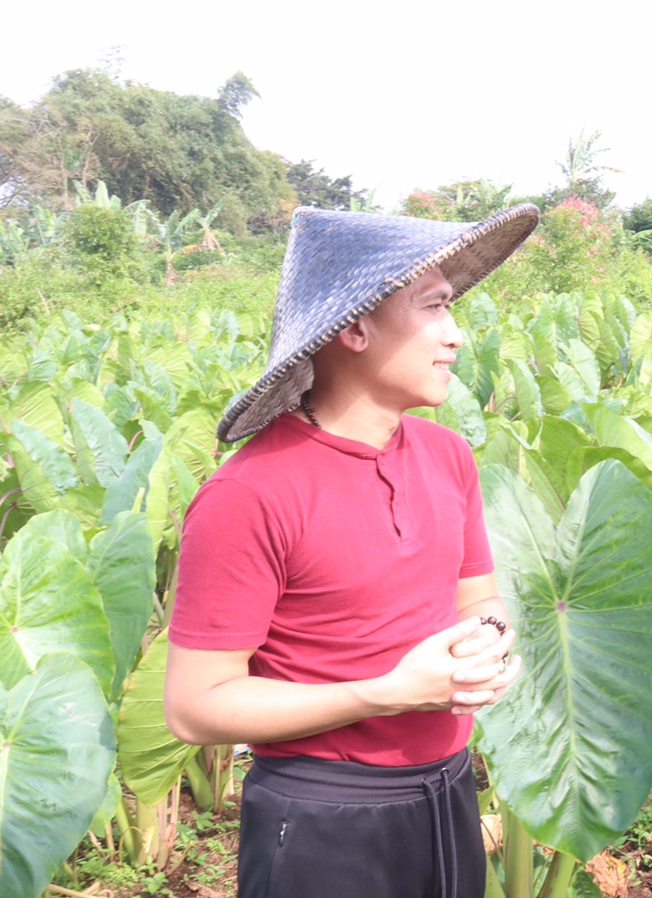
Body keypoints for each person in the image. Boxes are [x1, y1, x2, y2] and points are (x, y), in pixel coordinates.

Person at [164, 205, 540, 898]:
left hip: (449, 787)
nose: (456, 336)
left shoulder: (447, 454)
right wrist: (386, 694)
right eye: (434, 308)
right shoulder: (250, 493)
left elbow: (476, 598)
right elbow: (196, 707)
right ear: (356, 327)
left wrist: (487, 641)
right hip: (323, 812)